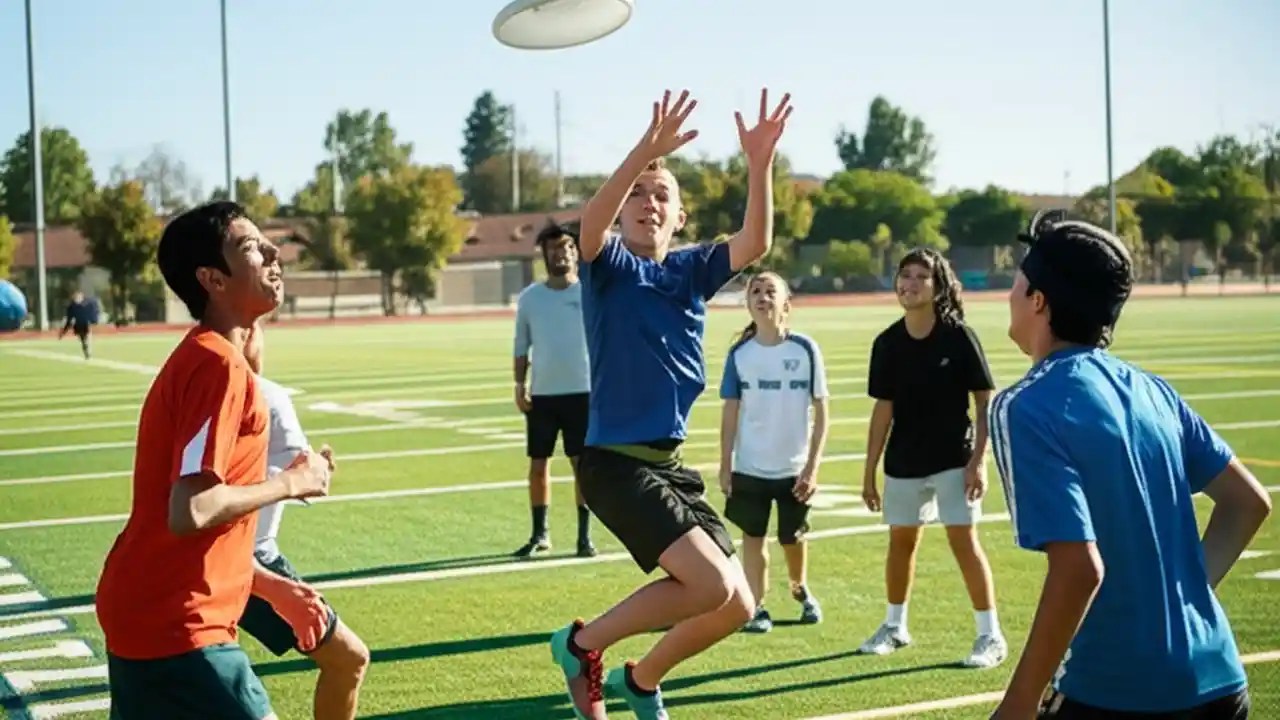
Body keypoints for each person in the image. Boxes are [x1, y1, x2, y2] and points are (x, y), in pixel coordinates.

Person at [550, 87, 793, 720]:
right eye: (638, 193)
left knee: (736, 603)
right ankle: (582, 646)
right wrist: (644, 154)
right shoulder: (609, 268)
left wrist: (759, 161)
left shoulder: (689, 271)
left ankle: (643, 677)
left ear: (680, 217)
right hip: (613, 464)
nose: (648, 203)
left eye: (662, 196)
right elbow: (590, 227)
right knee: (708, 583)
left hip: (667, 467)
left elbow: (755, 240)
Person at [988, 211, 1270, 719]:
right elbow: (1247, 503)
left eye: (1016, 281)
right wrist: (1184, 599)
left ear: (1038, 300)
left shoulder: (1025, 405)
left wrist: (1019, 704)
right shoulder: (1151, 389)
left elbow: (1078, 570)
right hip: (1220, 680)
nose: (1008, 294)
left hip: (1116, 692)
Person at [95, 201, 333, 720]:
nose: (273, 252)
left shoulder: (213, 359)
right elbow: (193, 508)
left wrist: (272, 589)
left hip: (153, 610)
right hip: (177, 623)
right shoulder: (215, 365)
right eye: (250, 246)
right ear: (212, 279)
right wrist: (292, 482)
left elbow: (193, 524)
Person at [859, 248, 1007, 669]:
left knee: (964, 541)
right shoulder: (886, 343)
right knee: (901, 543)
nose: (909, 283)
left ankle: (989, 635)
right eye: (904, 275)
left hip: (953, 460)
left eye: (920, 276)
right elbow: (882, 410)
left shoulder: (959, 337)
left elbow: (984, 403)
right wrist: (869, 471)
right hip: (904, 461)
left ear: (938, 285)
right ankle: (894, 626)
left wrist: (979, 461)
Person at [238, 322, 371, 720]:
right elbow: (311, 480)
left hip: (196, 564)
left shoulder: (186, 385)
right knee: (348, 660)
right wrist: (319, 468)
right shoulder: (269, 396)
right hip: (250, 563)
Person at [718, 271, 829, 634]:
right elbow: (730, 411)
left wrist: (812, 468)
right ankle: (756, 606)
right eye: (755, 292)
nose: (762, 297)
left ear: (786, 303)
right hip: (750, 466)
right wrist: (726, 465)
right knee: (753, 539)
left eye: (770, 291)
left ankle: (800, 589)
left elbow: (822, 410)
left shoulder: (805, 349)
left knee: (791, 538)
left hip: (793, 468)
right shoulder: (740, 355)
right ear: (748, 302)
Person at [512, 221, 596, 559]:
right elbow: (521, 345)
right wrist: (519, 384)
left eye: (566, 247)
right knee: (538, 465)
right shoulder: (531, 298)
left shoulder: (589, 293)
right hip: (543, 395)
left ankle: (584, 536)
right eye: (553, 249)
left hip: (583, 393)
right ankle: (539, 533)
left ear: (575, 252)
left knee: (583, 467)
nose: (560, 254)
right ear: (544, 255)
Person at [59, 290, 98, 358]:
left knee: (87, 336)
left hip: (85, 324)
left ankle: (87, 349)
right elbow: (69, 319)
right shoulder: (72, 307)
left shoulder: (87, 304)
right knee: (83, 338)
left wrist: (93, 320)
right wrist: (63, 332)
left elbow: (92, 313)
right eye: (76, 297)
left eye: (79, 297)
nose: (77, 299)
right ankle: (86, 348)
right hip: (78, 325)